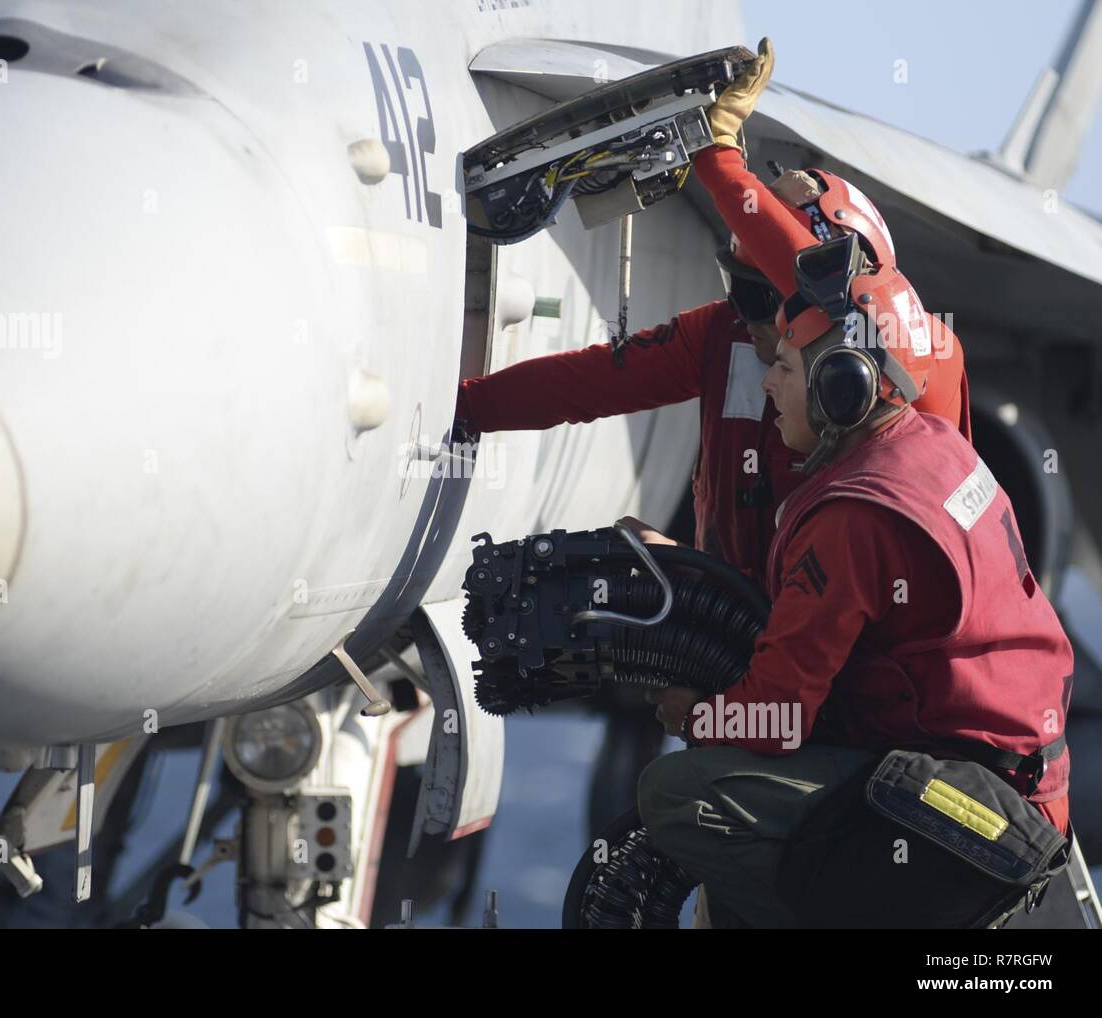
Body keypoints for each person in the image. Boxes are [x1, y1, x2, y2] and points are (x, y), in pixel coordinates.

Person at [635, 236, 1072, 928]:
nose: (769, 384)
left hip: (961, 817)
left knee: (678, 793)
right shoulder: (932, 448)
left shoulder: (852, 516)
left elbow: (775, 720)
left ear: (841, 387)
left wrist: (691, 714)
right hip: (1015, 789)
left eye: (782, 365)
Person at [455, 39, 970, 590]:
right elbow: (587, 383)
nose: (755, 322)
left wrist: (718, 156)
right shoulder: (725, 335)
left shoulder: (923, 354)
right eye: (740, 292)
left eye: (773, 297)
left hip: (854, 631)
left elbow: (829, 291)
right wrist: (464, 408)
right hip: (744, 616)